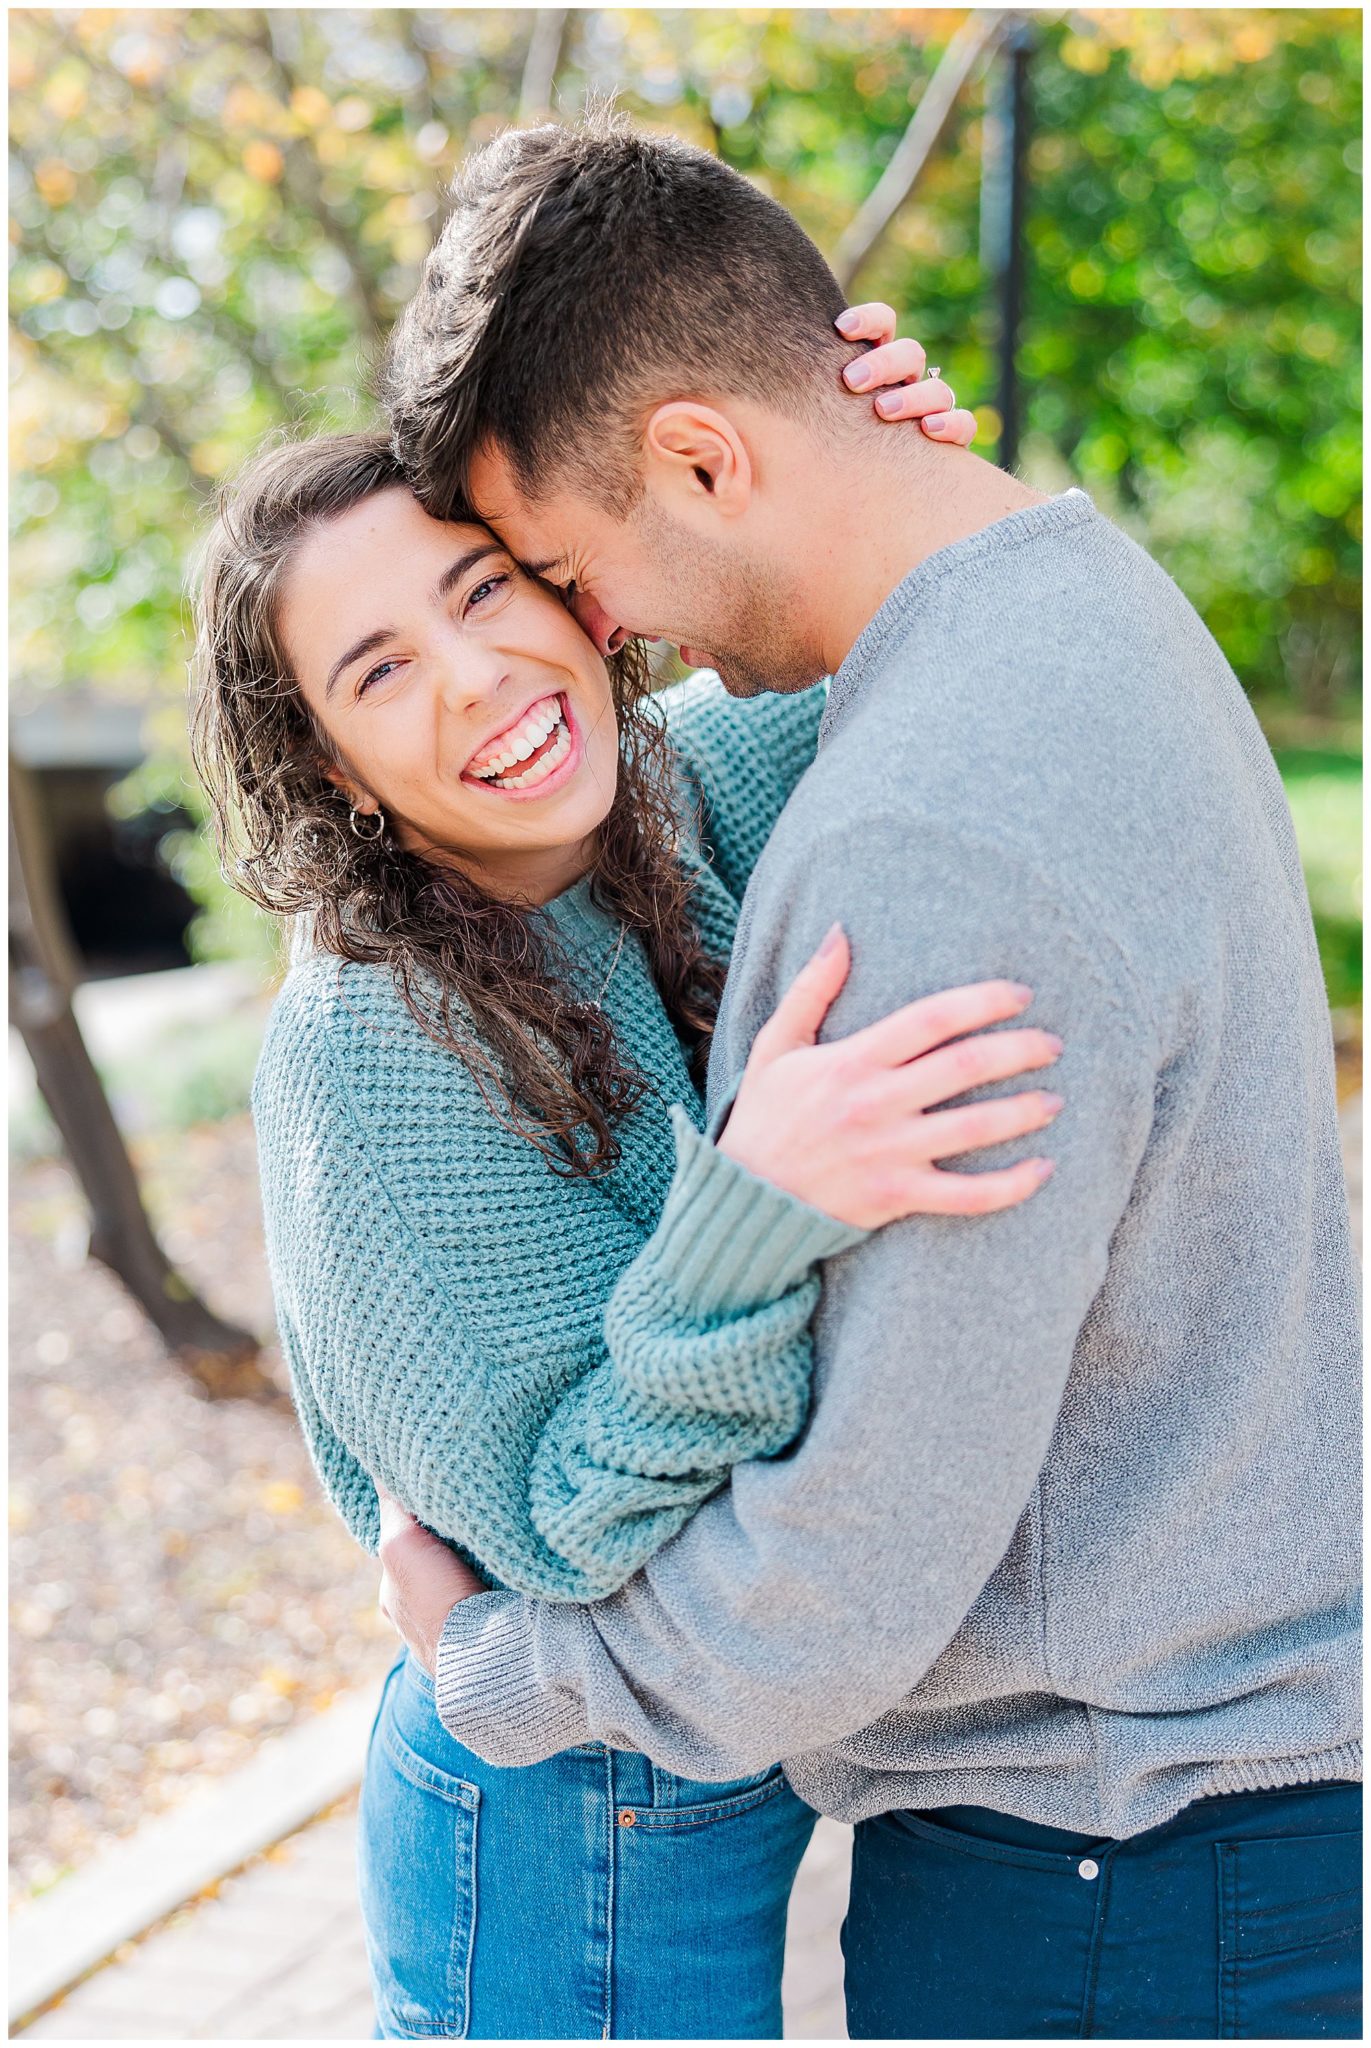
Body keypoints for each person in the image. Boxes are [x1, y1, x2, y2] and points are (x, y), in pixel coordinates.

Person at [376, 114, 1363, 2039]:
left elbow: (852, 1565)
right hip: (1208, 1830)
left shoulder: (927, 838)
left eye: (577, 572)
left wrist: (497, 1672)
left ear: (704, 456)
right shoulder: (1074, 599)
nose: (606, 642)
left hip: (1097, 1883)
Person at [190, 333, 1063, 2040]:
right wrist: (758, 1205)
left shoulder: (672, 790)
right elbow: (558, 1532)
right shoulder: (370, 1048)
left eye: (483, 589)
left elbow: (942, 640)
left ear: (574, 587)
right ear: (333, 778)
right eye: (378, 671)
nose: (475, 675)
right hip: (558, 1799)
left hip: (723, 1736)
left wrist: (894, 461)